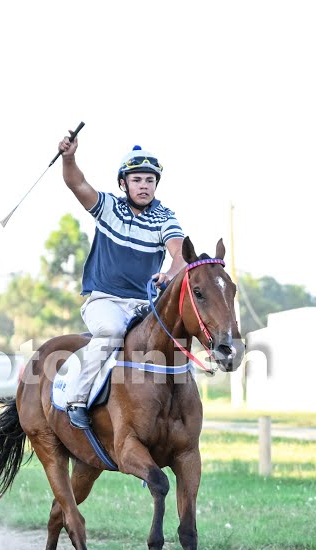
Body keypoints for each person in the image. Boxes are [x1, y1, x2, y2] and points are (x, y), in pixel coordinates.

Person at [57, 135, 188, 428]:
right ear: (123, 184)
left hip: (144, 305)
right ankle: (77, 399)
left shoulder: (165, 217)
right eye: (137, 179)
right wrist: (68, 158)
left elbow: (180, 253)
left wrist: (171, 272)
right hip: (105, 300)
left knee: (174, 341)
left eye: (150, 180)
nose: (144, 185)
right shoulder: (108, 207)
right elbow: (76, 183)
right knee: (113, 331)